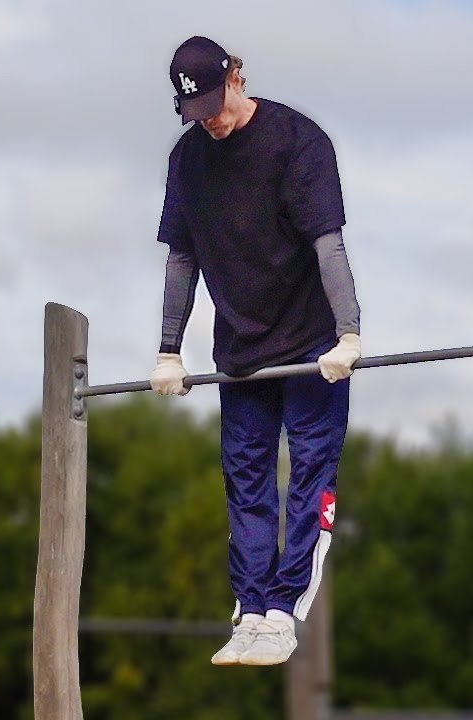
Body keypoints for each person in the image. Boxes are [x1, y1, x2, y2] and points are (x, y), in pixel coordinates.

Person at [150, 35, 361, 667]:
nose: (210, 119)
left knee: (308, 478)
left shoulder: (299, 143)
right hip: (241, 346)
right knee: (246, 484)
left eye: (216, 102)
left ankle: (282, 611)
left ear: (237, 76)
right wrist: (168, 349)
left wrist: (349, 333)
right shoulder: (188, 160)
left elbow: (328, 245)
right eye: (196, 111)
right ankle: (249, 609)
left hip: (310, 343)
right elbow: (181, 258)